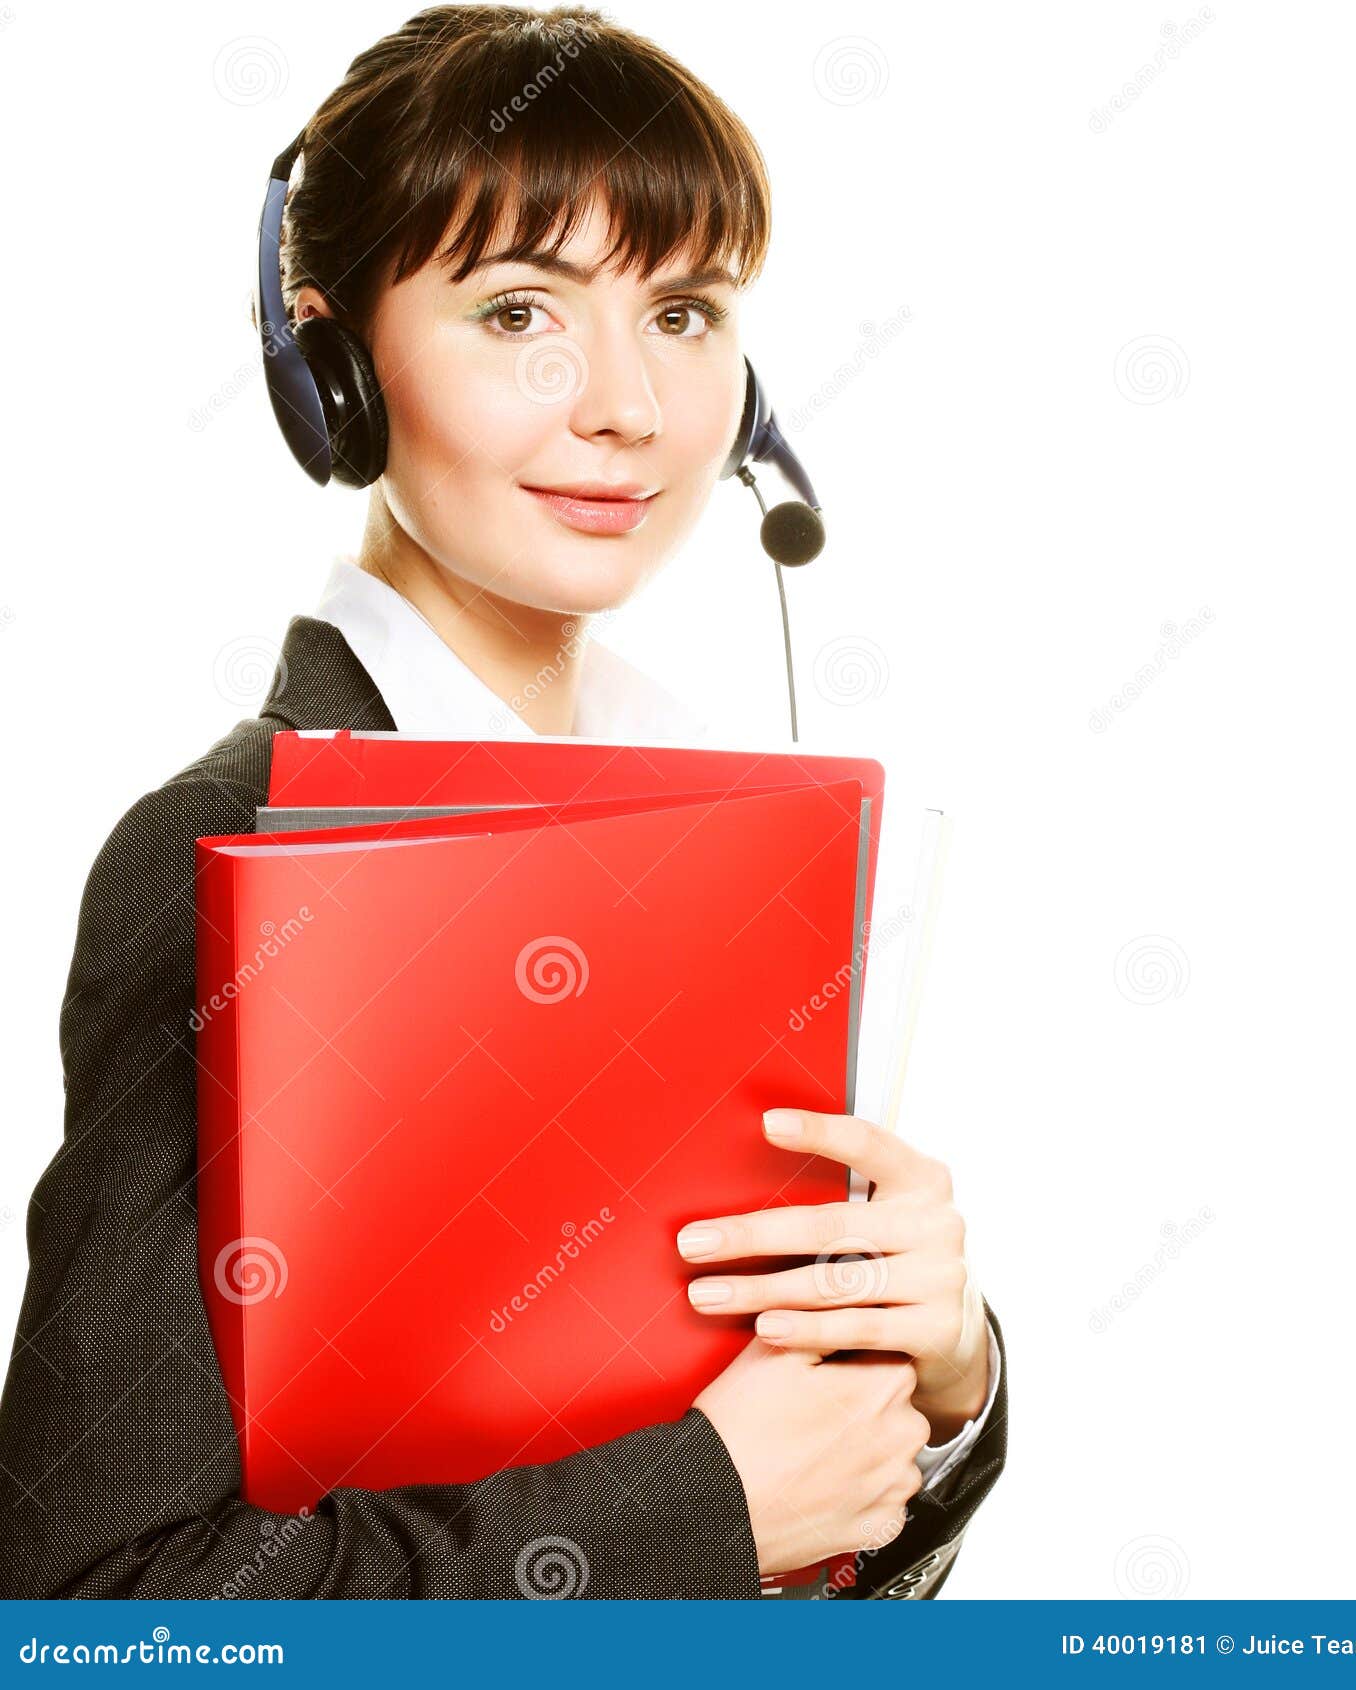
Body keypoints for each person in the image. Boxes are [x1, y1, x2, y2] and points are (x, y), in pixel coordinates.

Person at [0, 4, 1006, 1600]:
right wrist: (706, 1507)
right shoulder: (227, 852)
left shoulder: (746, 841)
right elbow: (96, 1605)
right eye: (522, 308)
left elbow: (813, 1535)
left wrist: (941, 1379)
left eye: (683, 313)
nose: (625, 406)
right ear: (331, 370)